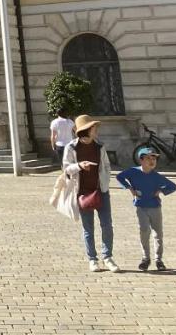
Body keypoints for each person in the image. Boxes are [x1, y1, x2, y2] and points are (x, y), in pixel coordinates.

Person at [62, 114, 118, 272]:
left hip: (101, 191)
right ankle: (92, 259)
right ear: (86, 130)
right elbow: (66, 168)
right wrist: (80, 166)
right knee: (88, 228)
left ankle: (107, 257)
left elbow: (106, 165)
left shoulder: (99, 146)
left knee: (107, 225)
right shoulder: (71, 148)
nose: (97, 130)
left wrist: (105, 181)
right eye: (94, 127)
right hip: (82, 192)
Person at [115, 146, 176, 270]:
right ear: (141, 160)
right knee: (144, 232)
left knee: (158, 234)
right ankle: (145, 258)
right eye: (148, 158)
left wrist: (161, 190)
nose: (152, 161)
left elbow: (173, 186)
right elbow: (119, 177)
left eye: (154, 158)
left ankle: (159, 260)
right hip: (141, 207)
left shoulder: (157, 176)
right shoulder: (133, 171)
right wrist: (129, 188)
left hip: (155, 207)